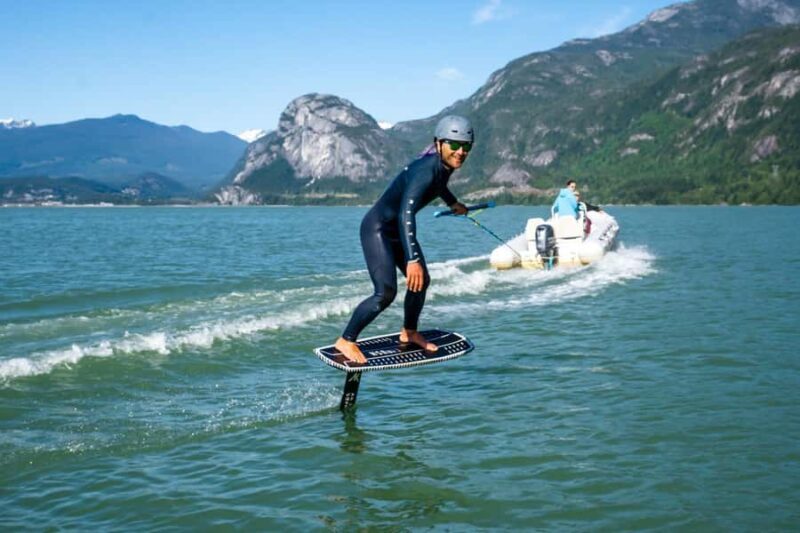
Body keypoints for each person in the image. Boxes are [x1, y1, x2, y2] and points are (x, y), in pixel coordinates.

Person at [333, 115, 472, 363]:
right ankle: (346, 340)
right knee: (385, 293)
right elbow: (405, 213)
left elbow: (439, 185)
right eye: (454, 144)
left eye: (466, 146)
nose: (460, 151)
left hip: (397, 229)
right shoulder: (426, 170)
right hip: (378, 230)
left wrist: (453, 203)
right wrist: (412, 259)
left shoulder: (442, 167)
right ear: (439, 143)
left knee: (421, 282)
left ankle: (409, 332)